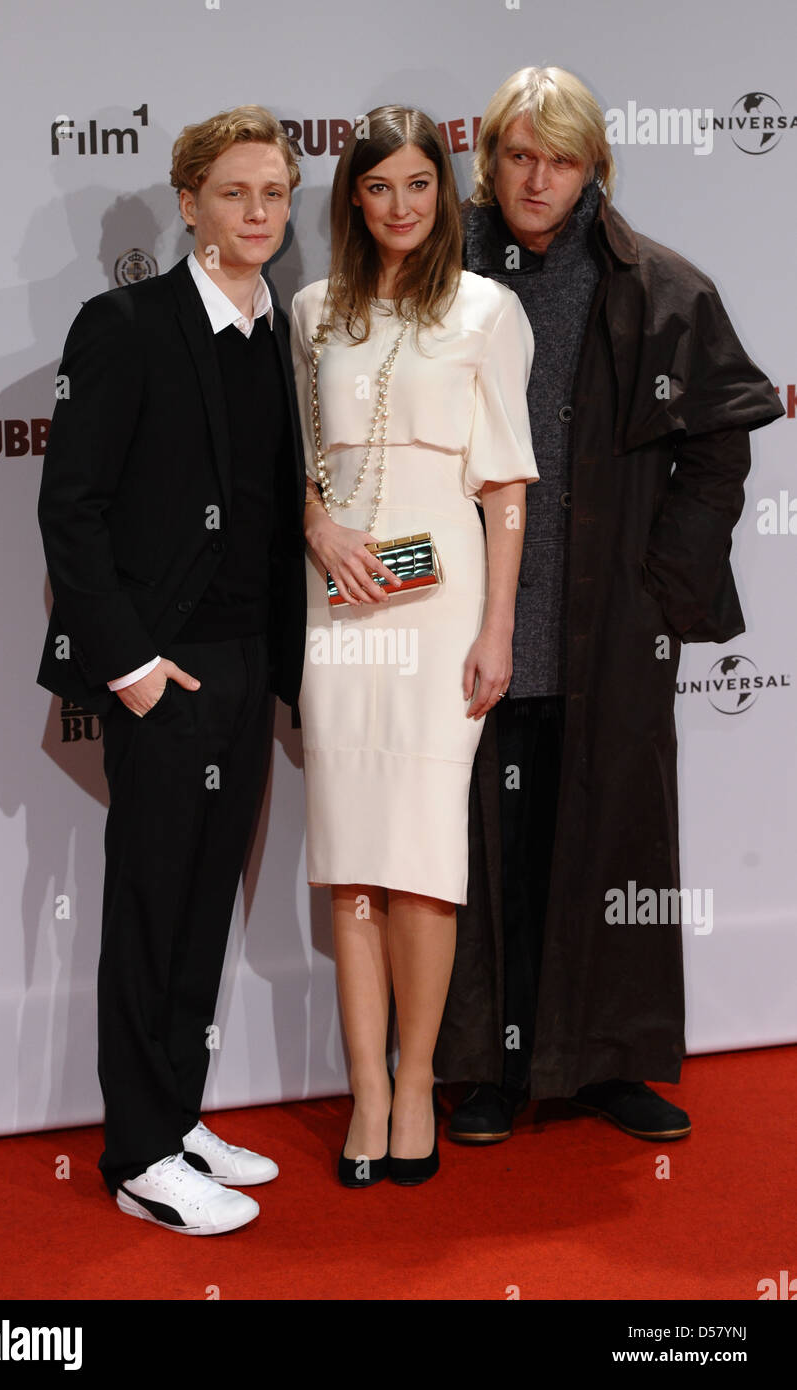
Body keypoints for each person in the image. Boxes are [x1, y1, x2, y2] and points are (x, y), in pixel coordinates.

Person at [434, 67, 784, 1144]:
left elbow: (717, 446)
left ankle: (608, 1062)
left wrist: (658, 592)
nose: (536, 180)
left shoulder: (656, 288)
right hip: (470, 621)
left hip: (607, 627)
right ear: (487, 159)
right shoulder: (432, 277)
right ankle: (486, 1071)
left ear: (594, 168)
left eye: (561, 159)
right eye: (517, 155)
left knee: (616, 843)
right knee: (483, 845)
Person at [37, 106, 307, 1233]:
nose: (259, 214)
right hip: (167, 672)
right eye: (236, 193)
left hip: (248, 661)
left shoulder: (278, 327)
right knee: (150, 912)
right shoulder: (126, 323)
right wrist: (132, 666)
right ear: (187, 200)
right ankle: (137, 1155)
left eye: (277, 196)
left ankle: (177, 1117)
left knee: (205, 910)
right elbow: (73, 508)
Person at [291, 106, 538, 1187]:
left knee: (424, 861)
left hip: (443, 613)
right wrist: (313, 522)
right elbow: (292, 460)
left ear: (445, 194)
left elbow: (507, 484)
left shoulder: (488, 309)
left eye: (419, 185)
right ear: (352, 194)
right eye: (379, 185)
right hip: (338, 602)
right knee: (350, 857)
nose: (400, 205)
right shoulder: (308, 312)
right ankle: (365, 1093)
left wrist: (497, 629)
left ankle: (419, 1081)